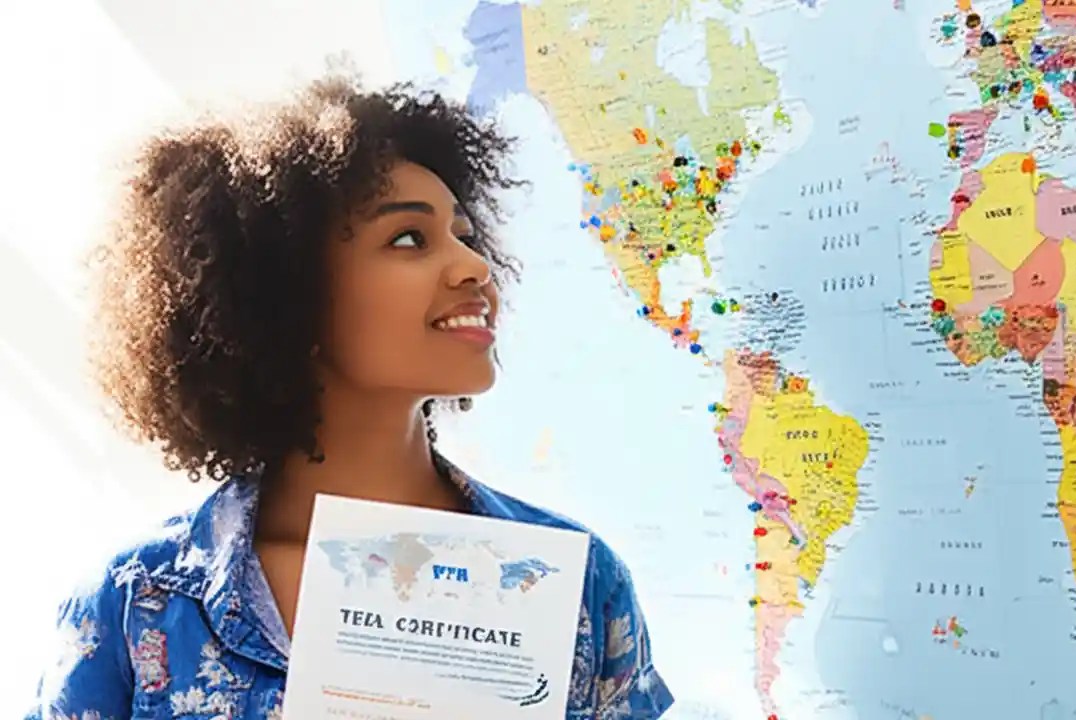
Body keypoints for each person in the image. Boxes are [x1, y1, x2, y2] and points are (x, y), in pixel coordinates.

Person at [26, 72, 673, 719]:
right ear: (284, 295)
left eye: (466, 236)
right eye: (410, 239)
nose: (475, 268)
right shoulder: (136, 604)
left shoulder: (581, 586)